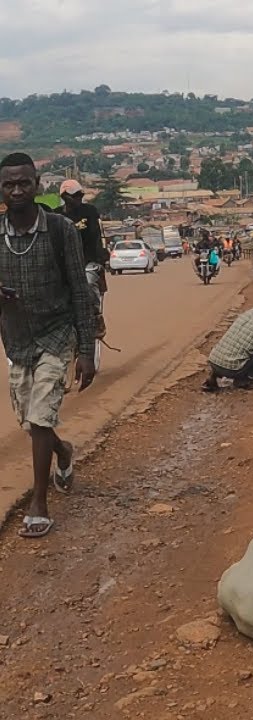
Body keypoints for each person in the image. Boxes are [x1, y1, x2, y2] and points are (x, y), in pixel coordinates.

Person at [0, 153, 97, 538]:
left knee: (40, 417)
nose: (17, 190)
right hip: (17, 341)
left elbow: (79, 290)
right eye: (9, 184)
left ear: (38, 185)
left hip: (57, 336)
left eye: (24, 183)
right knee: (31, 421)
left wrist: (86, 351)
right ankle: (63, 451)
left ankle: (39, 504)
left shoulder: (60, 230)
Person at [57, 180, 108, 339]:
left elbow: (97, 236)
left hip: (89, 261)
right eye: (75, 195)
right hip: (64, 265)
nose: (79, 198)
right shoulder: (56, 216)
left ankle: (96, 316)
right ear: (65, 197)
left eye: (80, 195)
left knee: (87, 282)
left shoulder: (89, 211)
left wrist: (100, 257)